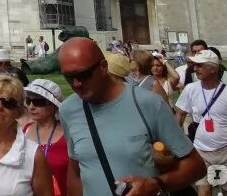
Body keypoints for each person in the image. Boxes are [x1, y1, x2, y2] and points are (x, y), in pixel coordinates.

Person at [57, 37, 204, 196]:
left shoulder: (149, 103)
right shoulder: (68, 110)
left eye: (83, 75)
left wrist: (156, 184)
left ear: (103, 66)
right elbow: (76, 171)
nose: (76, 84)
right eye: (69, 77)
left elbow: (196, 166)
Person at [174, 49, 227, 196]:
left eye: (200, 65)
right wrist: (175, 144)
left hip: (226, 150)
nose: (195, 69)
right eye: (195, 65)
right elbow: (180, 115)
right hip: (201, 151)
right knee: (204, 191)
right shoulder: (190, 89)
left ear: (213, 68)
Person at [23, 79, 70, 196]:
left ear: (53, 105)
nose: (31, 107)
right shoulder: (24, 131)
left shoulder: (68, 134)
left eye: (38, 102)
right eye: (28, 101)